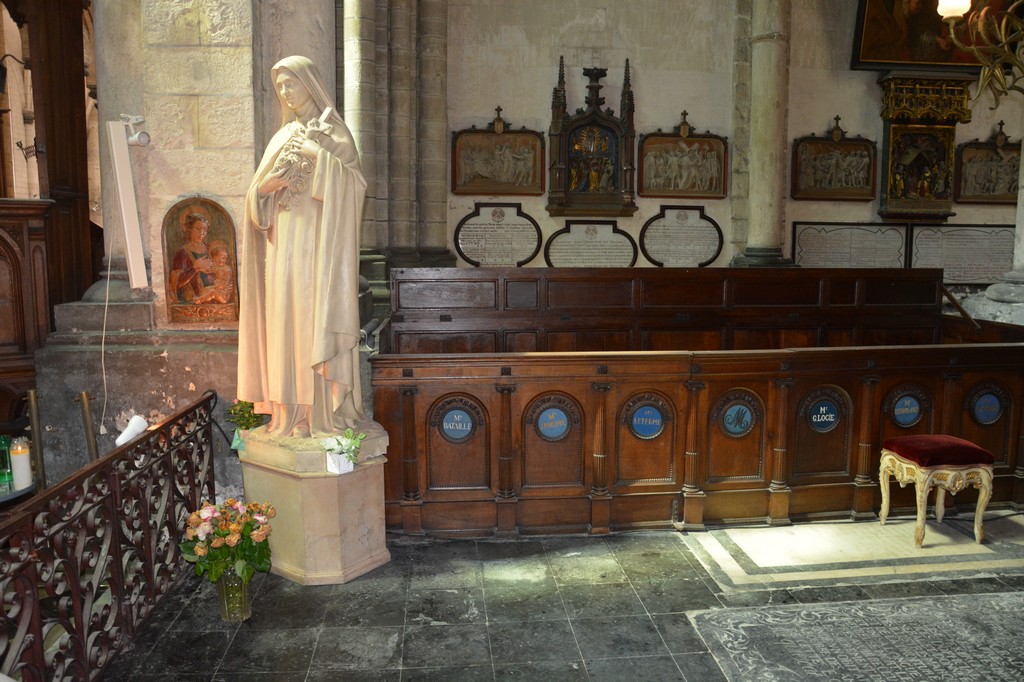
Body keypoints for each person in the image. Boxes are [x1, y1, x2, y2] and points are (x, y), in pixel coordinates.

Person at [238, 55, 367, 438]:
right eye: (279, 87)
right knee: (284, 325)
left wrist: (316, 154)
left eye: (290, 83)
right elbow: (255, 199)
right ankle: (289, 414)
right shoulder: (281, 136)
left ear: (309, 83)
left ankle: (320, 416)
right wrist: (265, 188)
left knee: (313, 324)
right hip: (283, 249)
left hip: (319, 250)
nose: (285, 92)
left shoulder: (335, 134)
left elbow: (355, 186)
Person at [168, 212, 214, 303]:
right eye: (198, 229)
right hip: (189, 301)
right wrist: (194, 269)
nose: (202, 233)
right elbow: (175, 284)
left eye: (205, 229)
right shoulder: (181, 253)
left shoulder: (210, 250)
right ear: (190, 229)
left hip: (211, 299)